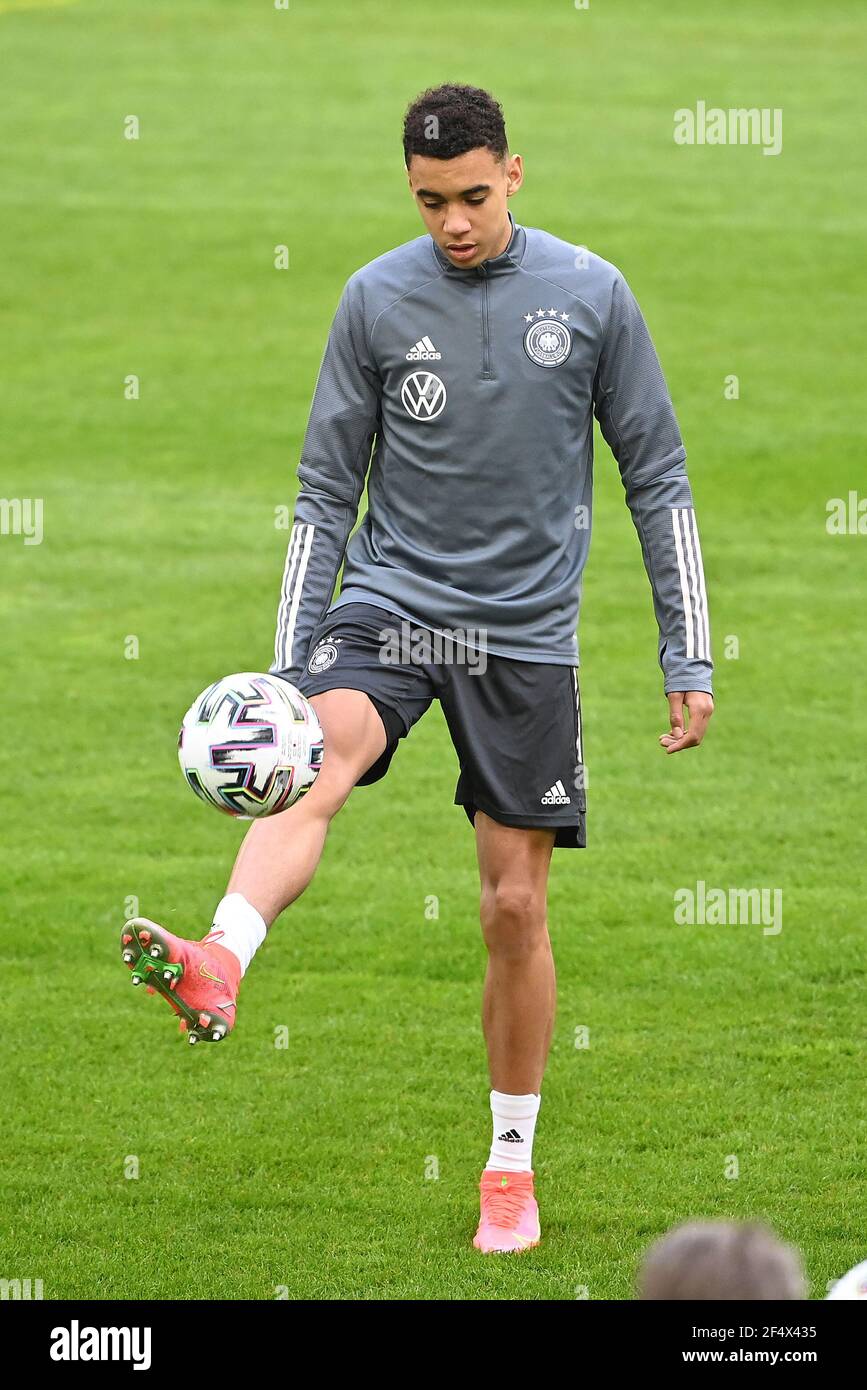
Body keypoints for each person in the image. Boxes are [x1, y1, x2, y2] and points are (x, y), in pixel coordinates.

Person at [121, 83, 714, 1254]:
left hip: (524, 635)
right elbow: (324, 489)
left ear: (516, 174)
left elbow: (659, 474)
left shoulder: (591, 295)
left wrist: (684, 649)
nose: (453, 221)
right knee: (311, 764)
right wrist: (294, 672)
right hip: (394, 606)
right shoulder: (374, 299)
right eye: (432, 200)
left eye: (474, 196)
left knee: (510, 904)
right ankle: (221, 958)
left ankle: (508, 1163)